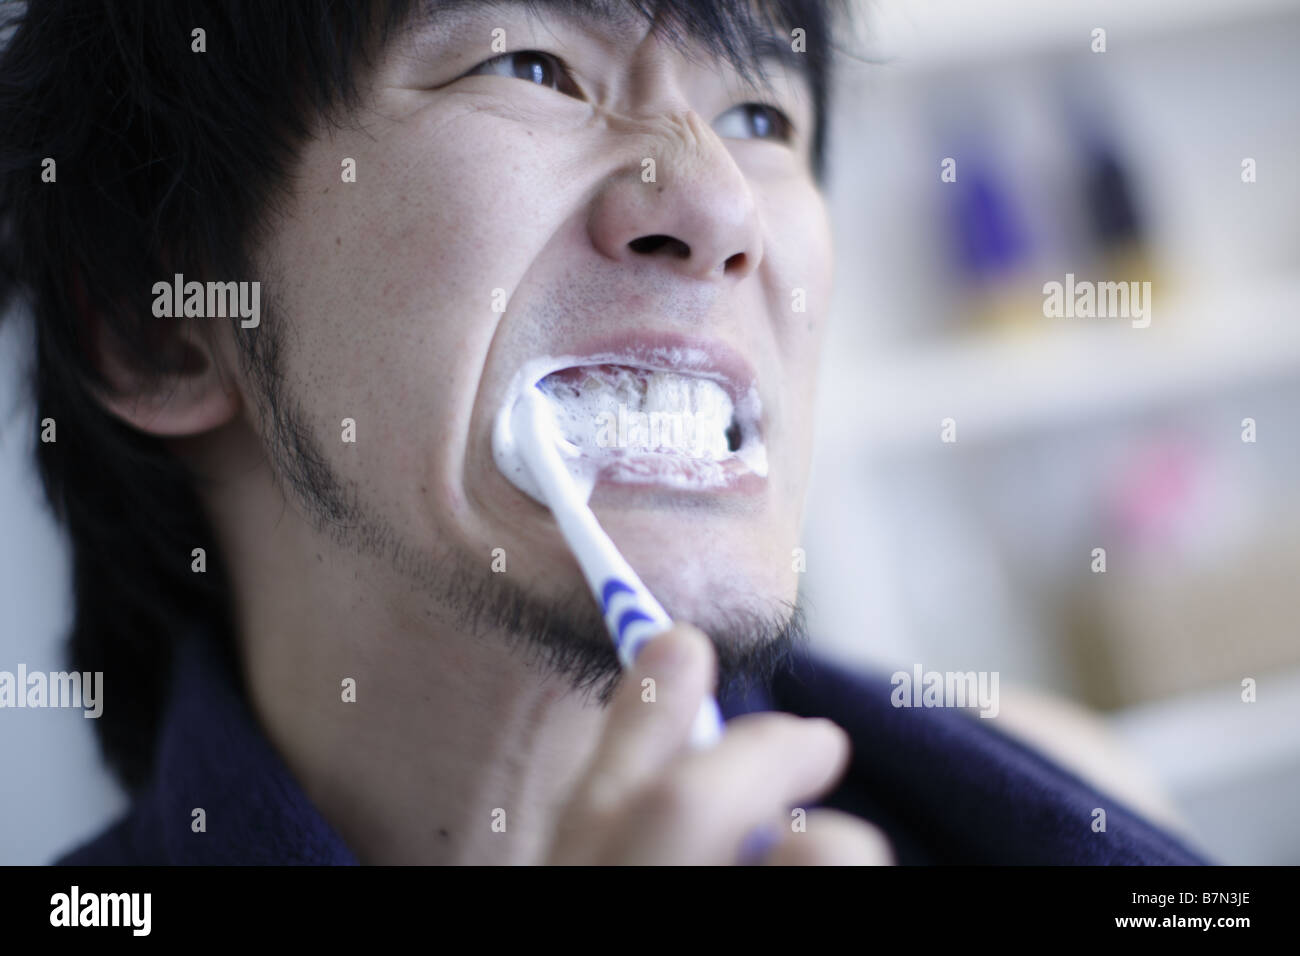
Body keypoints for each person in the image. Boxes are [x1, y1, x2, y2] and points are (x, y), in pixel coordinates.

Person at [0, 0, 1209, 865]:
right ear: (163, 330)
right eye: (528, 65)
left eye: (758, 116)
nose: (720, 207)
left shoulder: (1063, 788)